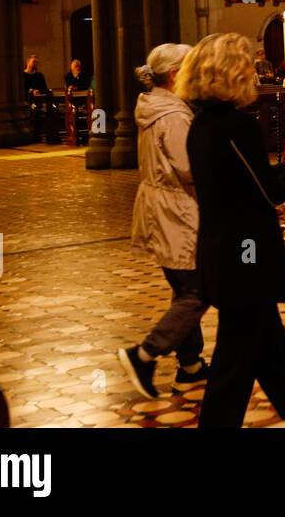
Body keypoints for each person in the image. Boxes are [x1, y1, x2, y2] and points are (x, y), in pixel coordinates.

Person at [176, 33, 285, 428]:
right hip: (246, 260)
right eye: (247, 68)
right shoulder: (236, 125)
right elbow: (267, 192)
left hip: (227, 253)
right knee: (233, 367)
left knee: (273, 356)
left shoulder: (202, 124)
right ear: (230, 73)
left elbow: (243, 181)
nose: (254, 77)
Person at [117, 43, 210, 401]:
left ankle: (190, 367)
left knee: (183, 286)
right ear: (175, 75)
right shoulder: (172, 115)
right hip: (176, 209)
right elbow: (189, 168)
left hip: (162, 205)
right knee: (199, 290)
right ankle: (143, 355)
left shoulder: (157, 106)